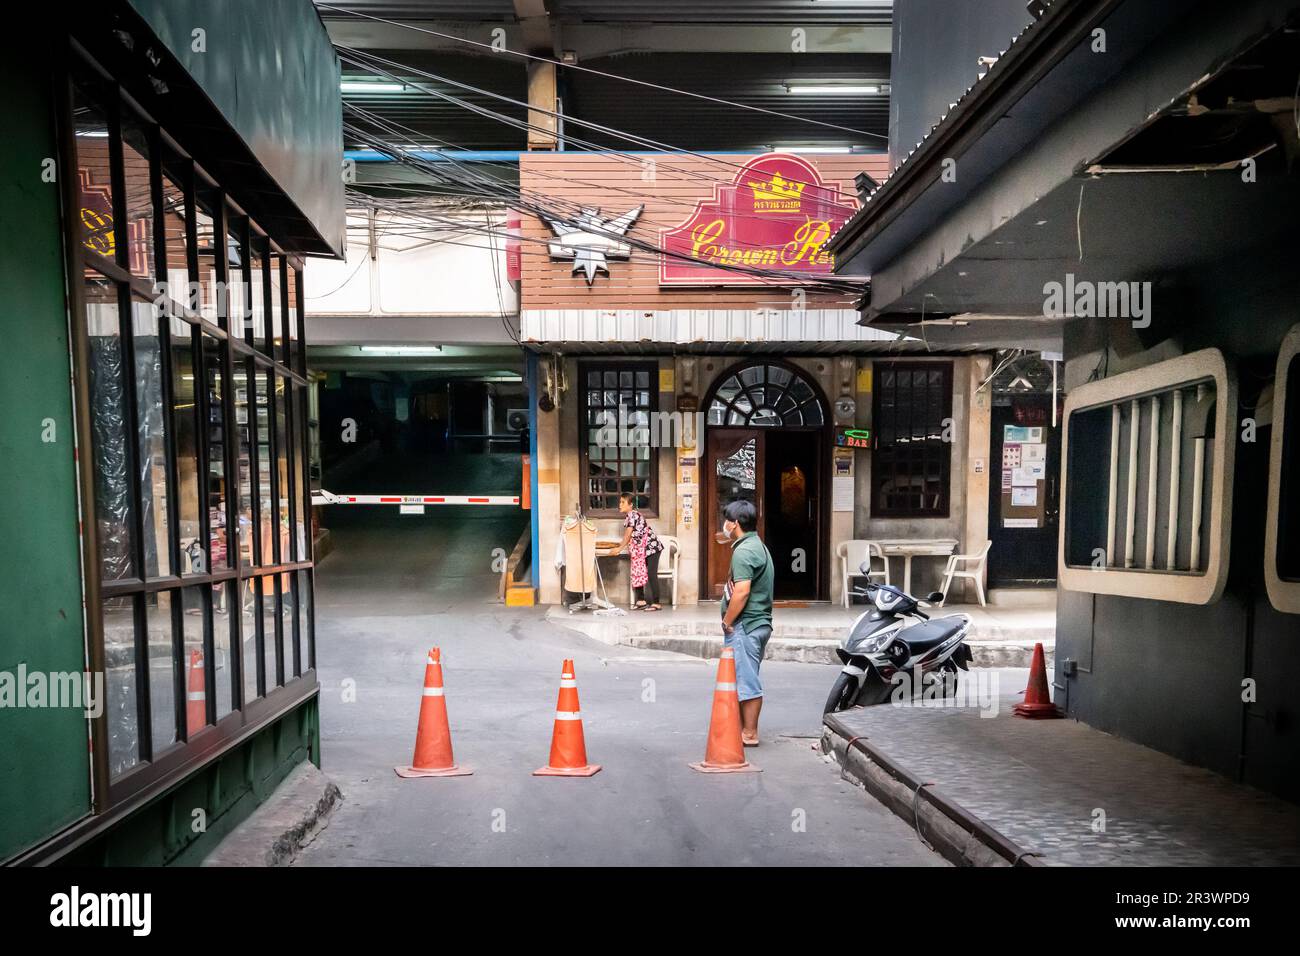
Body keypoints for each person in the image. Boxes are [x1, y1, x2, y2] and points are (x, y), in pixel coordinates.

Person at [717, 499, 774, 746]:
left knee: (747, 679)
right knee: (745, 675)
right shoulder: (755, 545)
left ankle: (749, 733)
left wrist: (728, 621)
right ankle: (743, 729)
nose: (724, 525)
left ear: (735, 523)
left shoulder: (743, 551)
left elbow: (742, 592)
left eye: (726, 520)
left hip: (746, 625)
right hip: (758, 623)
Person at [618, 492, 664, 611]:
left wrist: (619, 548)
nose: (620, 504)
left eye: (623, 502)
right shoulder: (630, 516)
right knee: (638, 570)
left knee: (651, 574)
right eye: (620, 502)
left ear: (631, 504)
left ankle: (656, 602)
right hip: (642, 549)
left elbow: (628, 534)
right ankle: (641, 601)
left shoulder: (632, 515)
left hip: (652, 548)